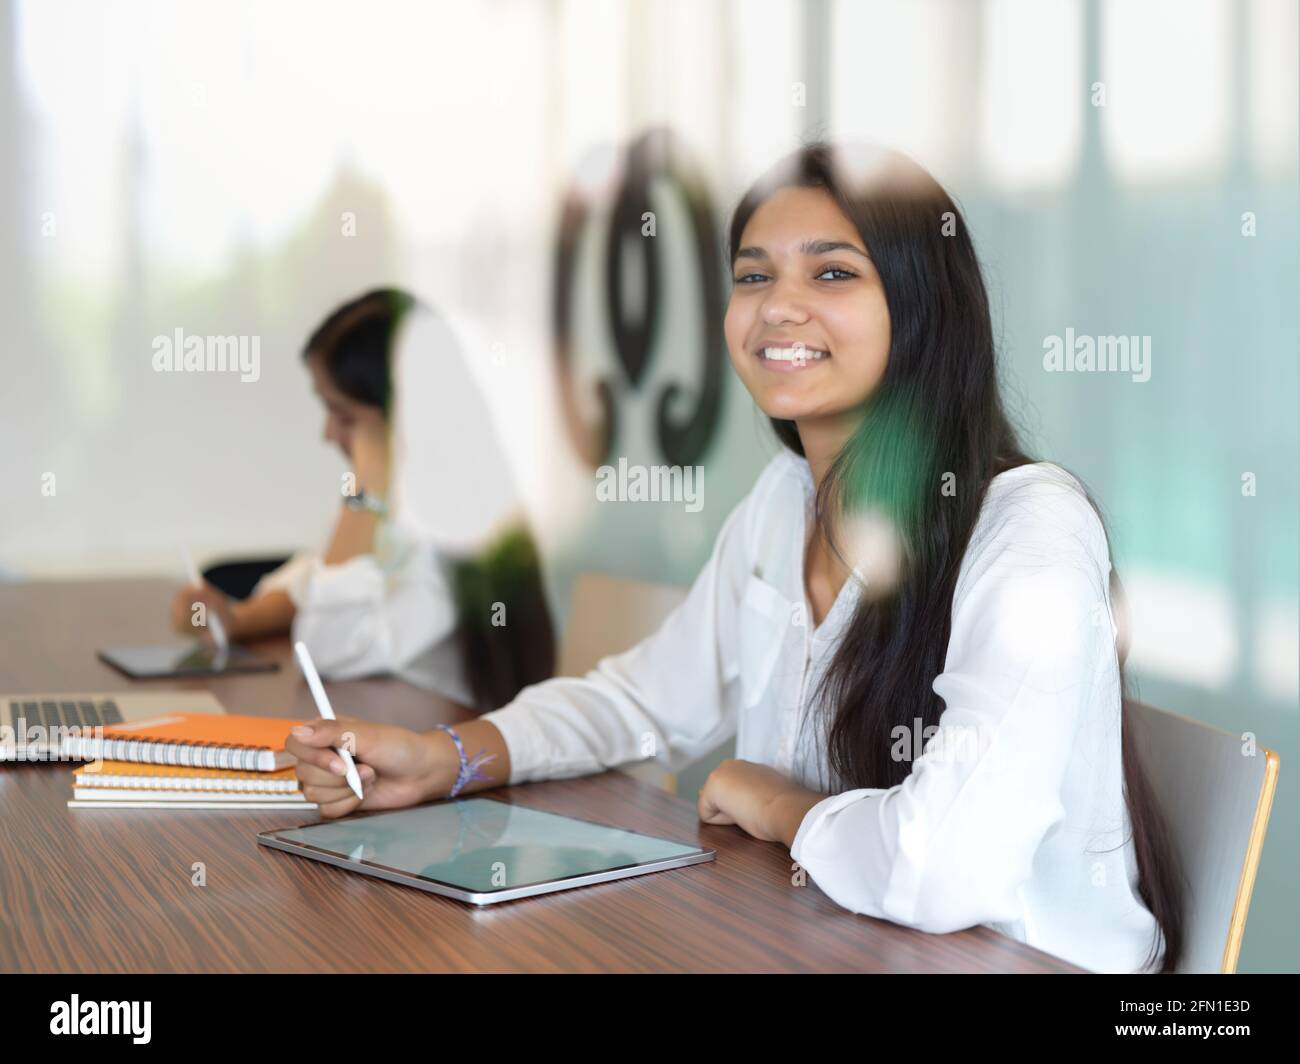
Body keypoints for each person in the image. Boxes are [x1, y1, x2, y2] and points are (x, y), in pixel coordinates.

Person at [285, 146, 1184, 974]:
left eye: (833, 271)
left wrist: (778, 808)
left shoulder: (1030, 528)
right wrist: (449, 758)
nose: (777, 307)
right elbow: (642, 701)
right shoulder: (781, 505)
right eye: (754, 275)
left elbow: (939, 868)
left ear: (924, 311)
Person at [172, 288, 555, 711]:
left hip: (446, 745)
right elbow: (311, 580)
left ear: (404, 416)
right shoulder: (406, 502)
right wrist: (236, 619)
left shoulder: (455, 530)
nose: (329, 434)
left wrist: (364, 487)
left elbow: (325, 650)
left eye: (345, 416)